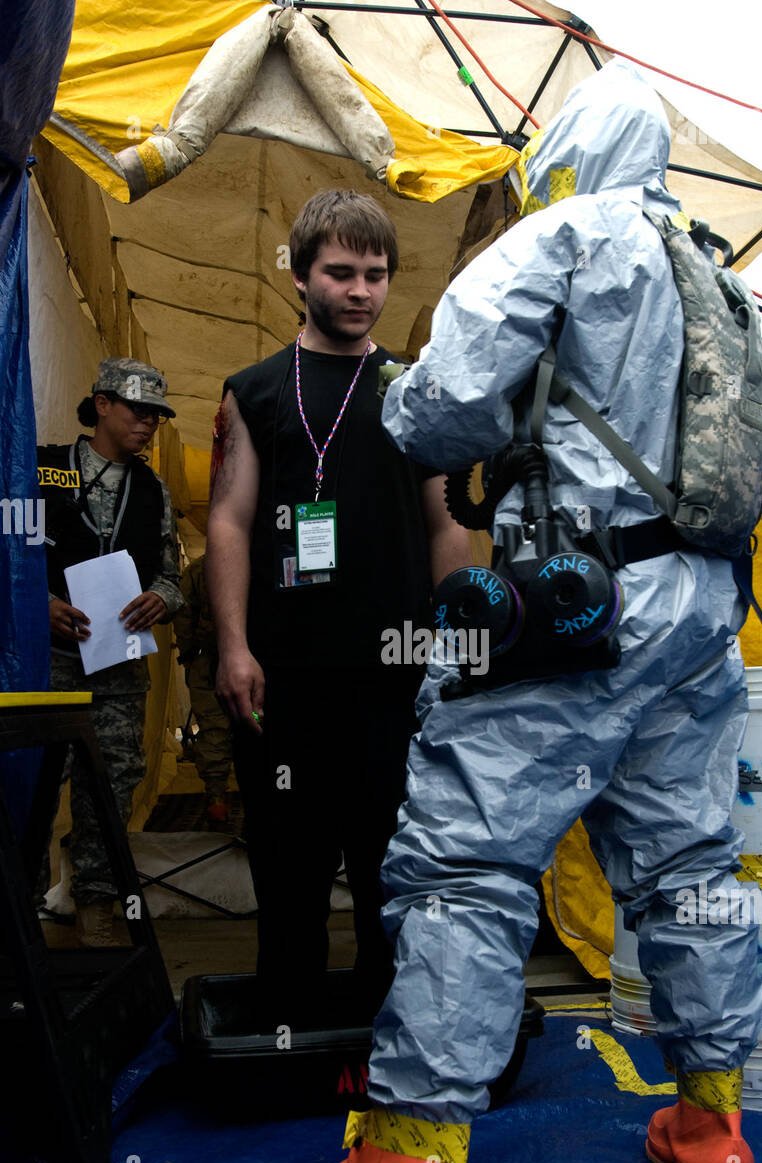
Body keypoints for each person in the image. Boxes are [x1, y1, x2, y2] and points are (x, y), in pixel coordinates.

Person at [247, 61, 762, 1163]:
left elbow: (432, 416)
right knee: (692, 862)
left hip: (578, 606)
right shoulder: (721, 280)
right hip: (702, 616)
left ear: (564, 156)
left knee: (465, 857)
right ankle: (714, 1122)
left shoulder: (567, 237)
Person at [207, 189, 470, 1026]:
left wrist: (451, 643)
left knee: (394, 867)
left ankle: (389, 1041)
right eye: (342, 272)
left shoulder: (416, 390)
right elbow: (229, 520)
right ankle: (287, 1042)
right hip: (284, 679)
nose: (362, 291)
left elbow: (447, 524)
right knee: (289, 871)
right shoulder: (252, 392)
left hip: (395, 676)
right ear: (299, 275)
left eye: (377, 275)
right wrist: (234, 647)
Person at [39, 357, 183, 945]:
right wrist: (39, 603)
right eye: (137, 410)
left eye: (156, 416)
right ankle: (22, 903)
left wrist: (159, 599)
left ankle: (97, 907)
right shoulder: (43, 470)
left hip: (119, 668)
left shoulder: (154, 492)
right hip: (47, 661)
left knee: (111, 785)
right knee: (36, 781)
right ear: (101, 404)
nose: (148, 424)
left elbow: (173, 576)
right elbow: (9, 559)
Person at [174, 553, 233, 826]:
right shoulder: (258, 556)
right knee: (255, 722)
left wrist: (188, 655)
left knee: (213, 729)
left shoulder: (199, 568)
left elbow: (184, 615)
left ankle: (216, 799)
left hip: (208, 663)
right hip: (253, 663)